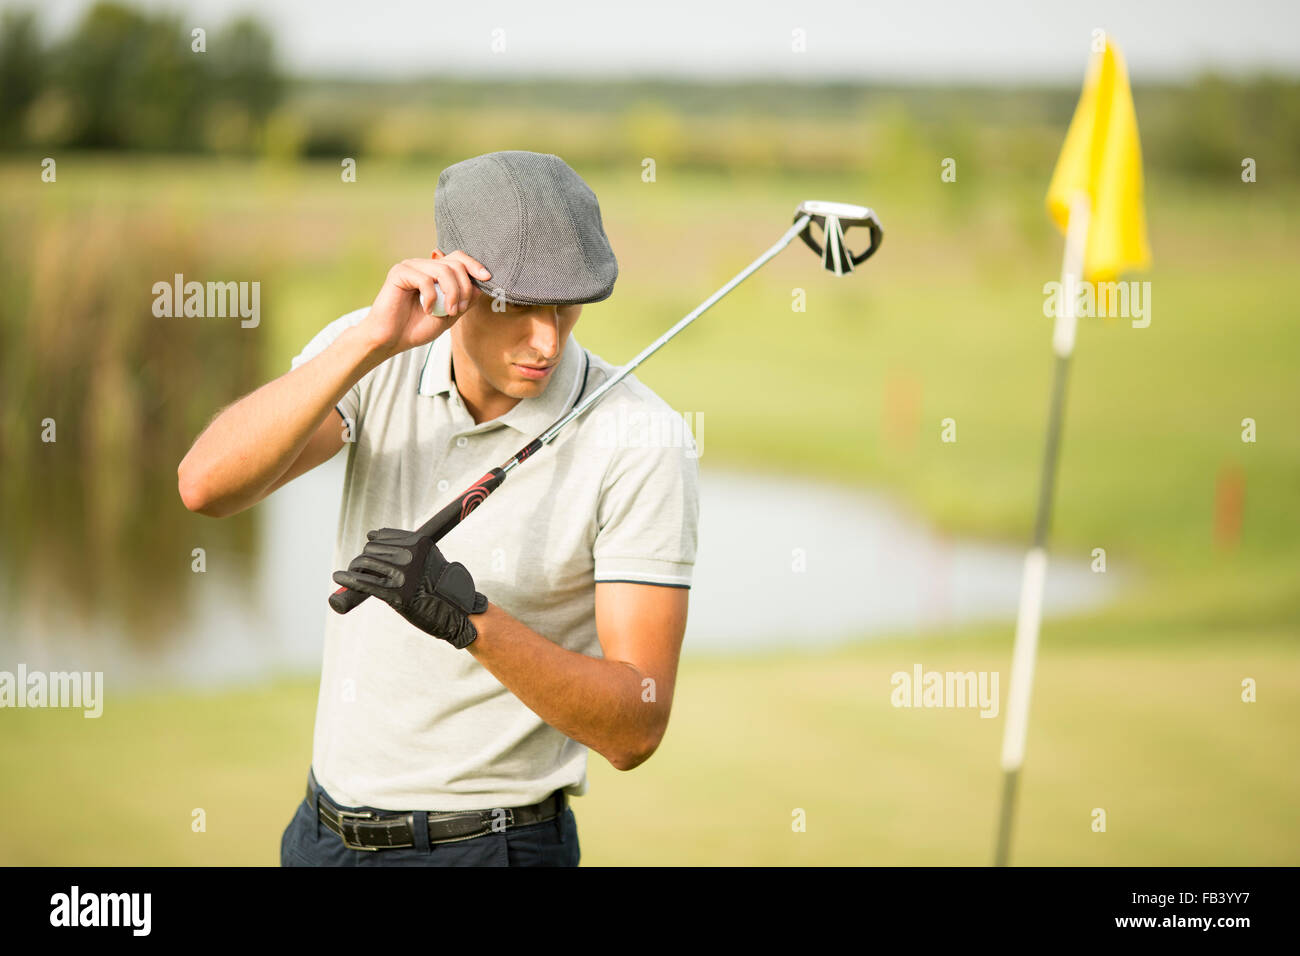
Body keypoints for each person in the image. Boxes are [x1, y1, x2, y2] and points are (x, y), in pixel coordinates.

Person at [177, 150, 700, 866]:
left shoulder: (641, 438)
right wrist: (369, 341)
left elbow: (634, 727)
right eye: (517, 303)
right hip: (321, 836)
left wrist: (468, 618)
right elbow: (205, 487)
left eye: (566, 302)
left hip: (493, 846)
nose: (547, 338)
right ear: (447, 275)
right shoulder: (375, 356)